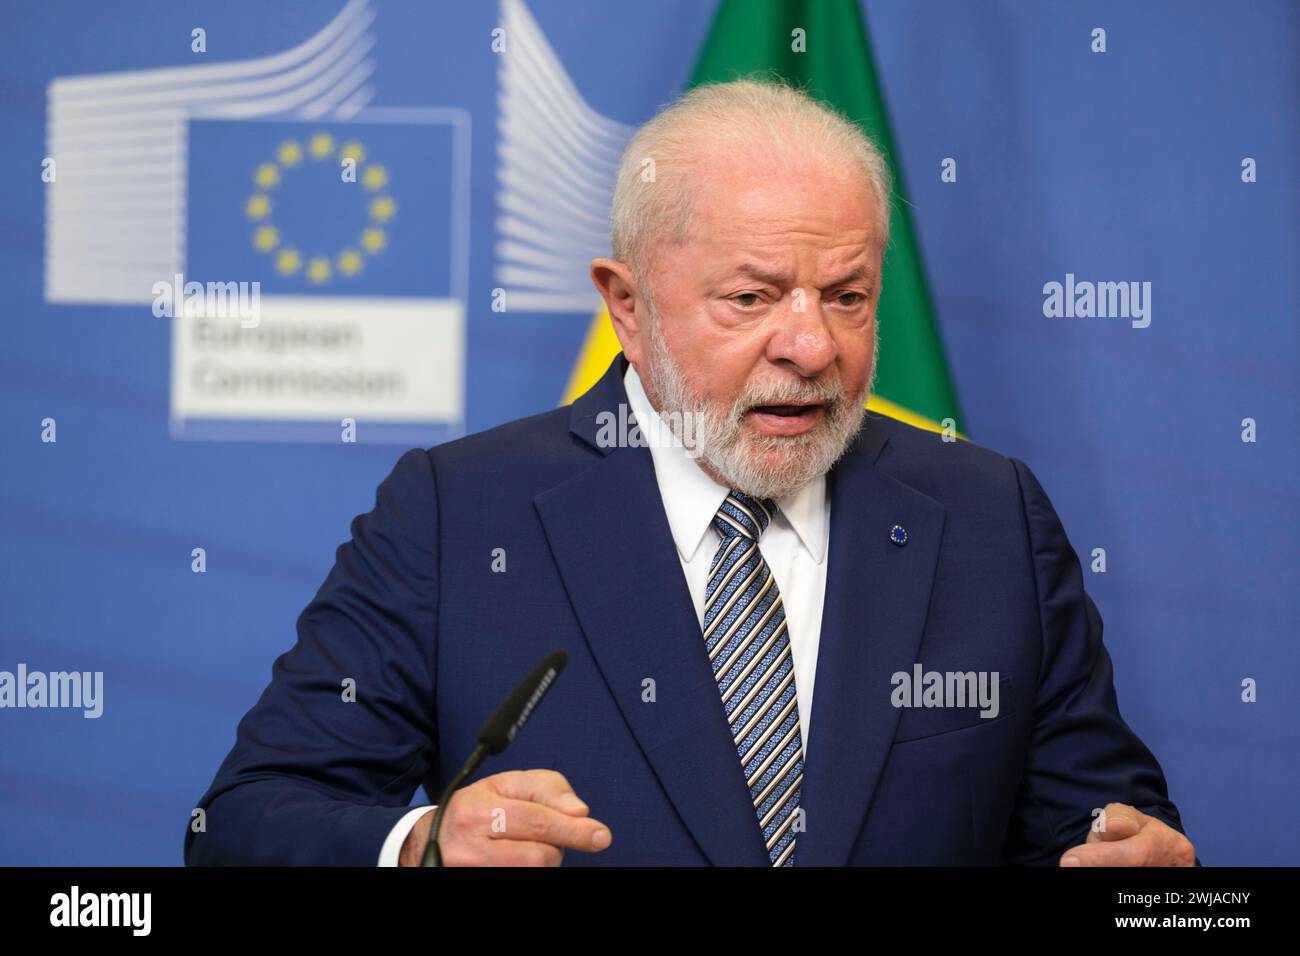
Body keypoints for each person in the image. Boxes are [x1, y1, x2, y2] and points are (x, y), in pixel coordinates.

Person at [186, 79, 1195, 867]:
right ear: (626, 304)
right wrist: (422, 843)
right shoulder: (459, 515)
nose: (809, 345)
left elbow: (1102, 828)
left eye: (846, 295)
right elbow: (238, 824)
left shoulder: (988, 517)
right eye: (753, 296)